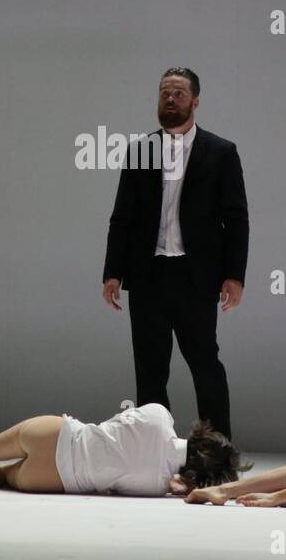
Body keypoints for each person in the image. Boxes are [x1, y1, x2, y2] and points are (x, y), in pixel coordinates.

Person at [102, 68, 249, 440]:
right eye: (164, 92)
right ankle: (154, 452)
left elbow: (236, 219)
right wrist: (112, 272)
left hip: (195, 276)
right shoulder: (141, 150)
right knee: (150, 370)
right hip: (148, 274)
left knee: (205, 365)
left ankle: (217, 454)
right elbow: (123, 216)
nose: (170, 98)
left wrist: (234, 275)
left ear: (195, 101)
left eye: (179, 93)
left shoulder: (221, 152)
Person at [0, 402, 251, 496]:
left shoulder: (159, 415)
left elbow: (117, 421)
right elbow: (114, 487)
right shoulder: (156, 487)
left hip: (59, 434)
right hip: (58, 477)